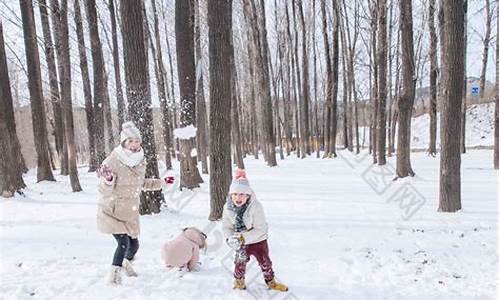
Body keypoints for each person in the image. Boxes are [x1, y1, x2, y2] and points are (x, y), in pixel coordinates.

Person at [96, 121, 171, 285]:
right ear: (124, 142)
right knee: (123, 244)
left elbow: (141, 184)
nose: (134, 144)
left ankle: (124, 261)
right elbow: (103, 189)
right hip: (112, 210)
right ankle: (114, 277)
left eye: (137, 141)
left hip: (130, 212)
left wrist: (162, 182)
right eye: (130, 141)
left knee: (134, 246)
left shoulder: (140, 160)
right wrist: (108, 180)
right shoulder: (112, 160)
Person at [222, 169, 288, 292]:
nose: (238, 197)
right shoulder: (227, 208)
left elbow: (261, 228)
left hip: (258, 241)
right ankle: (239, 281)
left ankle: (270, 281)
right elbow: (226, 227)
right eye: (235, 194)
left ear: (248, 195)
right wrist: (230, 238)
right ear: (231, 195)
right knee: (239, 262)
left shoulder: (256, 206)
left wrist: (243, 237)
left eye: (242, 194)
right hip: (240, 242)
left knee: (265, 261)